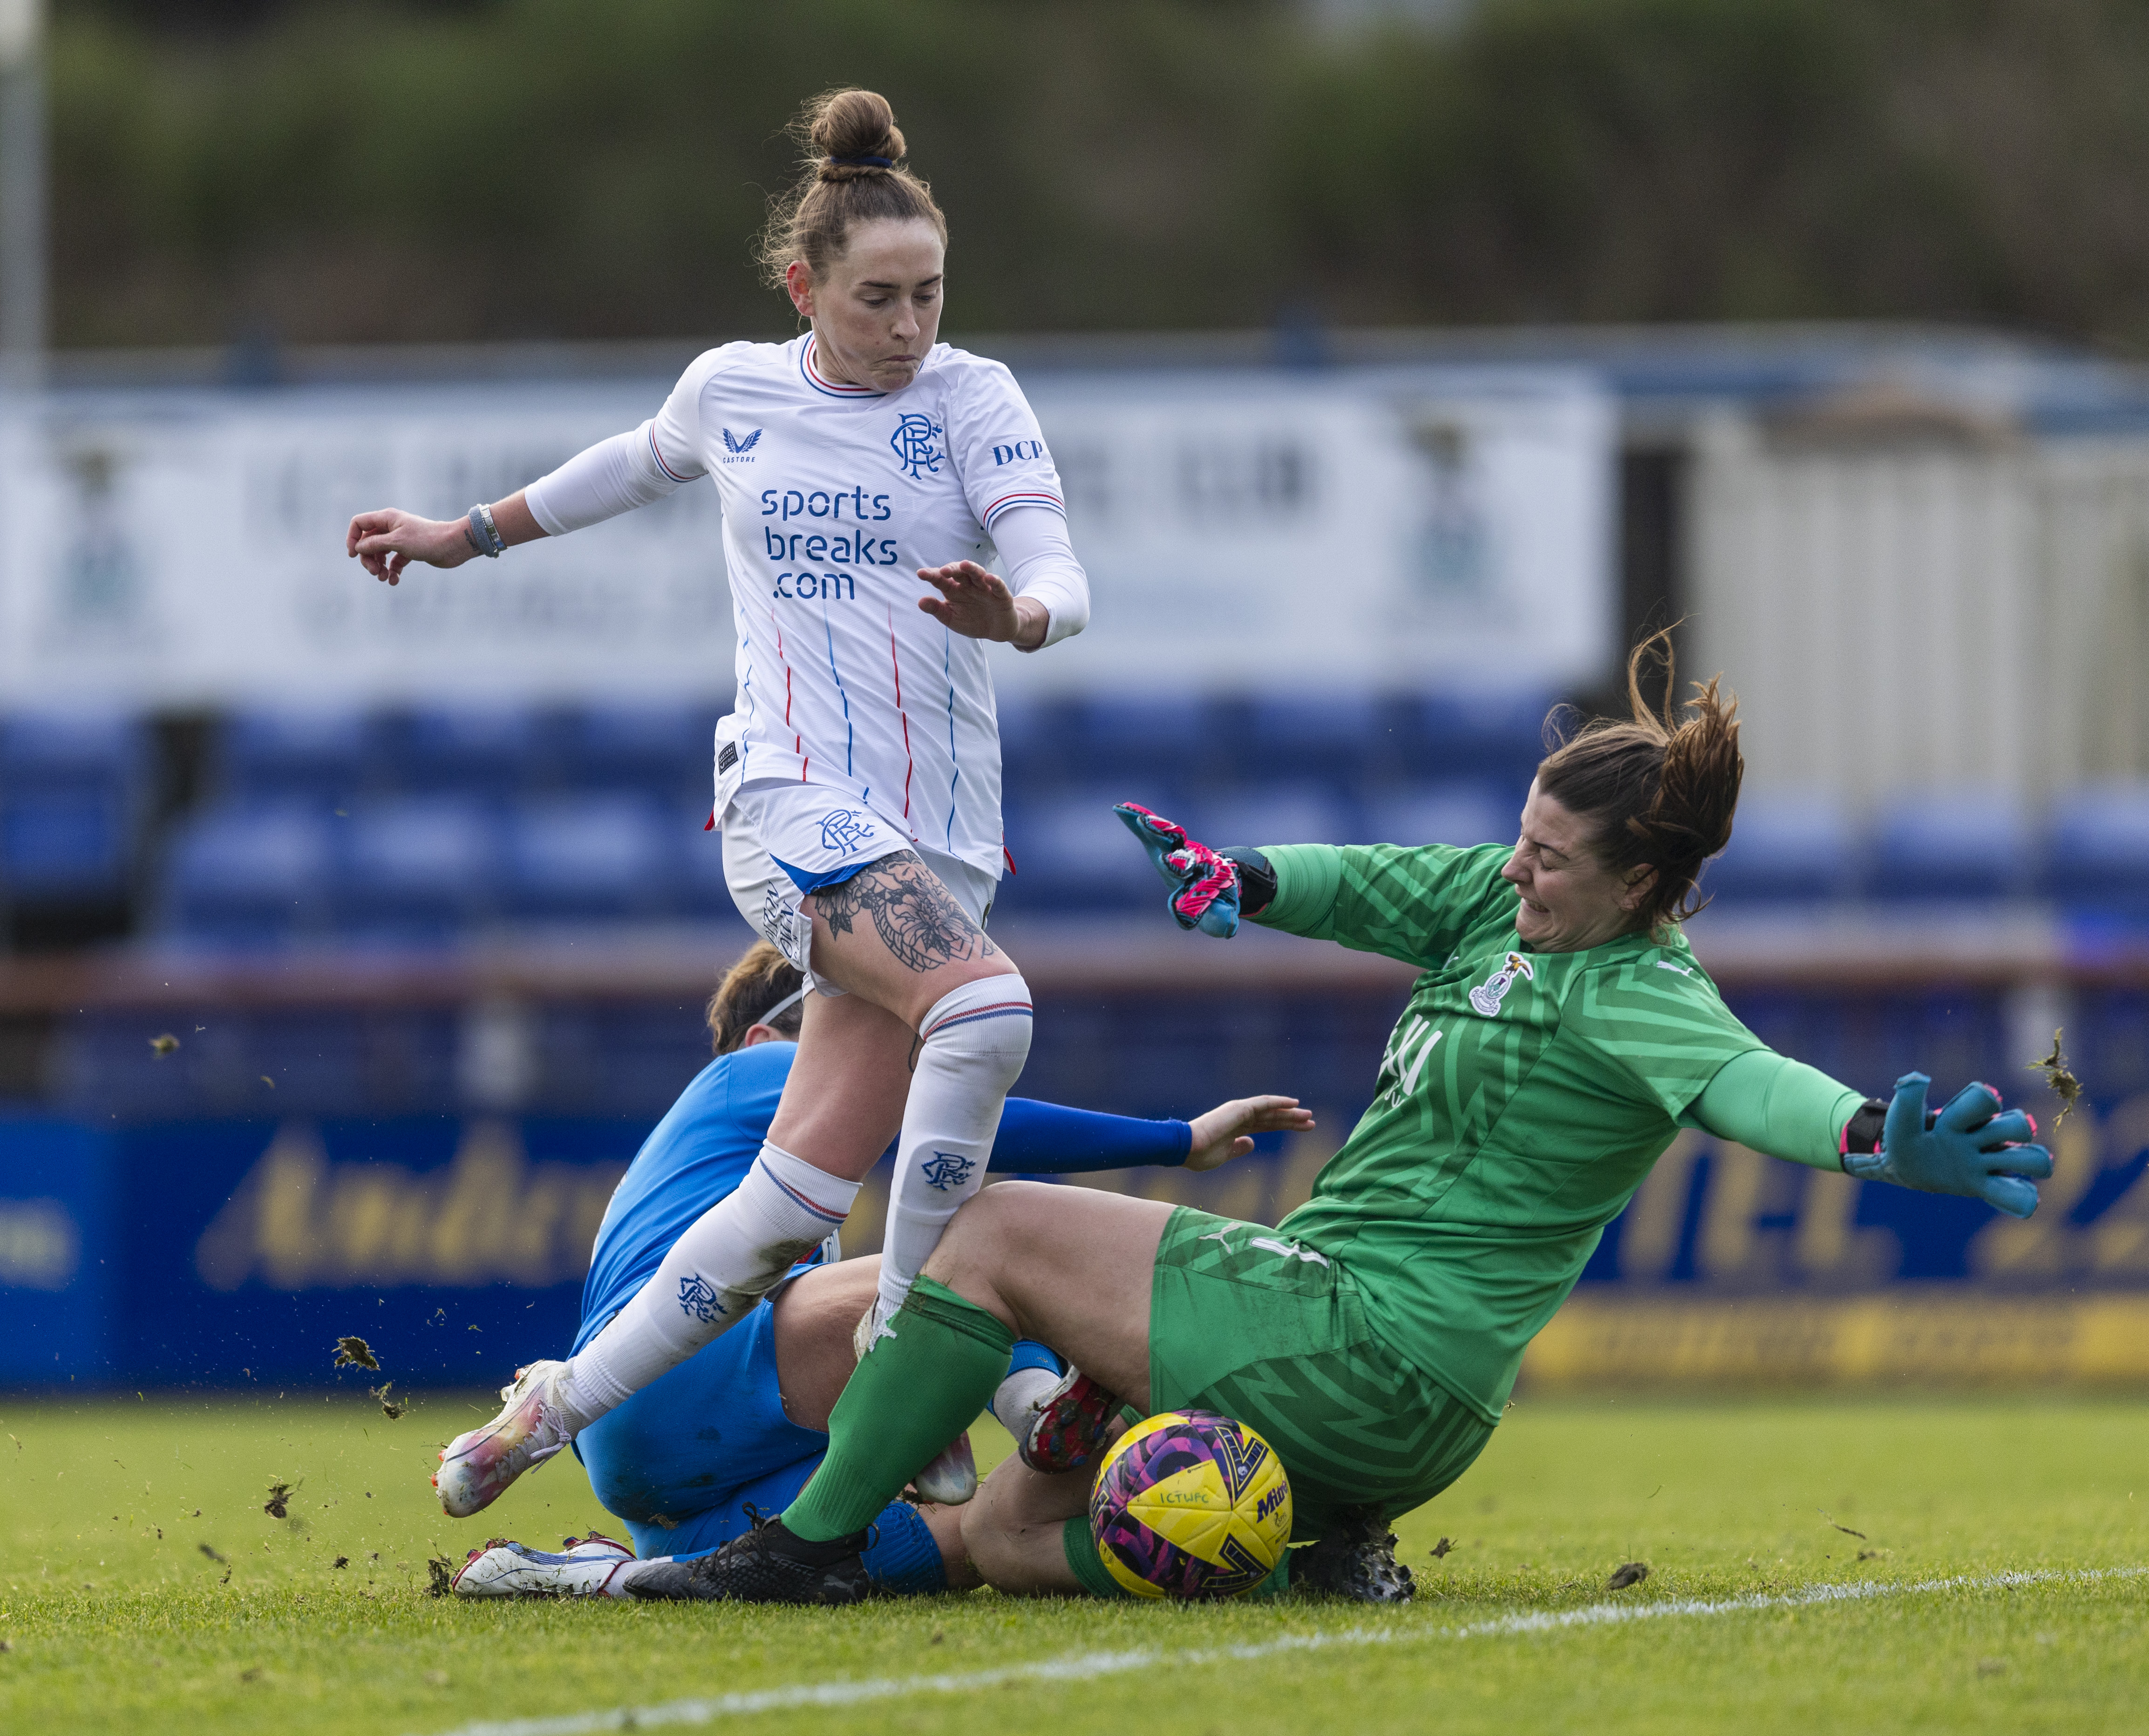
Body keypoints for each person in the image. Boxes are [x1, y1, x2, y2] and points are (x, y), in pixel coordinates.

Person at [666, 633, 2052, 1604]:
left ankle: (804, 1545)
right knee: (1006, 1538)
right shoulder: (1500, 910)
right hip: (1384, 1403)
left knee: (979, 1230)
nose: (1516, 867)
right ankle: (1302, 1542)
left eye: (1550, 860)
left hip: (1367, 1347)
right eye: (1520, 835)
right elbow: (1370, 880)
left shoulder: (1636, 989)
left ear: (1640, 888)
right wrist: (1246, 877)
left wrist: (1869, 1135)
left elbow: (1752, 1086)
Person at [344, 89, 1093, 1519]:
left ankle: (540, 1414)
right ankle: (902, 1360)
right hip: (789, 798)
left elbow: (1057, 559)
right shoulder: (735, 389)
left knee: (789, 1211)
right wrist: (463, 536)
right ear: (805, 287)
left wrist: (1027, 617)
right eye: (876, 298)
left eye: (928, 293)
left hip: (940, 835)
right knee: (989, 1014)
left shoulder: (974, 398)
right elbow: (626, 465)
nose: (909, 324)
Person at [446, 941, 1313, 1600]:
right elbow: (979, 1126)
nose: (904, 1048)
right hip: (675, 1388)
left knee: (981, 1534)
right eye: (869, 1023)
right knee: (975, 1250)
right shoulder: (747, 1072)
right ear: (768, 1034)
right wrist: (1177, 1140)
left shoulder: (748, 1165)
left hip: (666, 1467)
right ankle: (1038, 1408)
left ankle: (607, 1577)